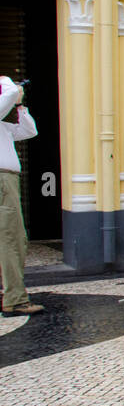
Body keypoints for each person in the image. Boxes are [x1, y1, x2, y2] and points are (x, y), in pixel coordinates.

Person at [0, 76, 42, 317]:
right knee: (11, 239)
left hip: (6, 180)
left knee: (9, 239)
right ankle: (14, 299)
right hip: (2, 181)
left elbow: (28, 130)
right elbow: (5, 96)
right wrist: (8, 83)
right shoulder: (4, 93)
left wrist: (19, 105)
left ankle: (8, 294)